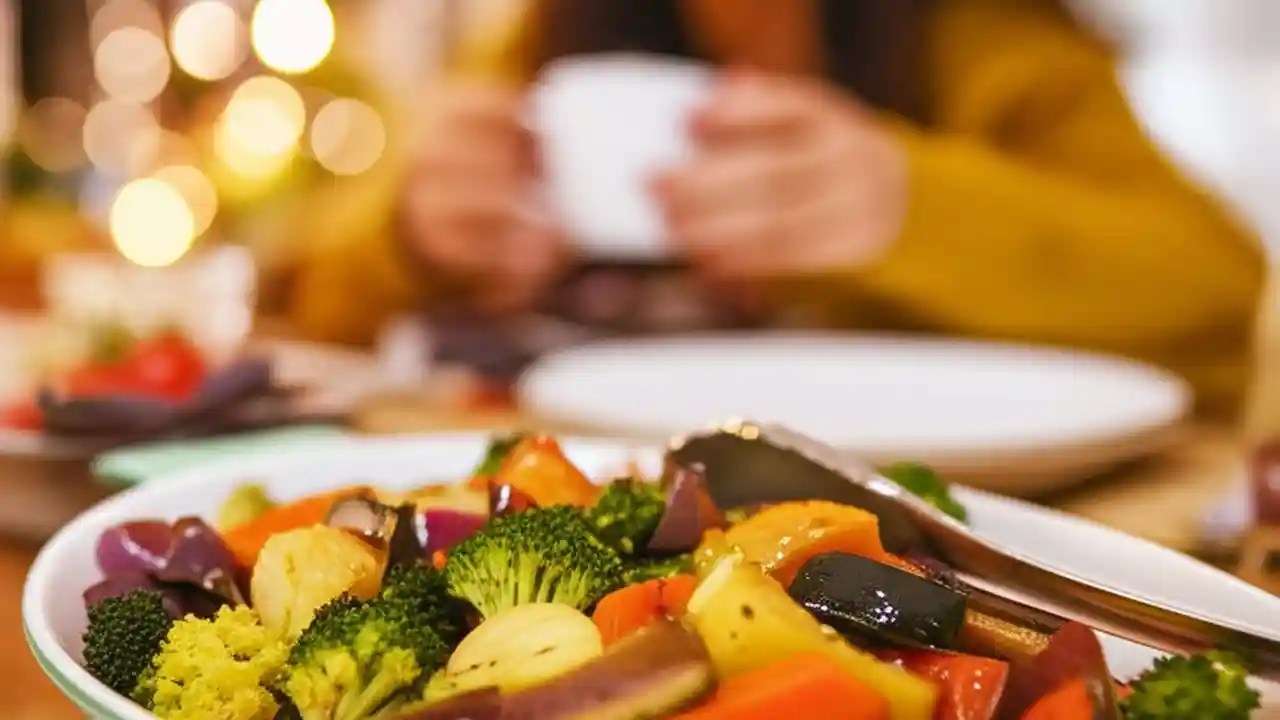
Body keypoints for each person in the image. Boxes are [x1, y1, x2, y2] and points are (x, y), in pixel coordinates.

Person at [291, 0, 1264, 412]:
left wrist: (908, 206)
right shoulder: (558, 37)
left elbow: (1224, 293)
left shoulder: (985, 40)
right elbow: (304, 305)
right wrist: (415, 235)